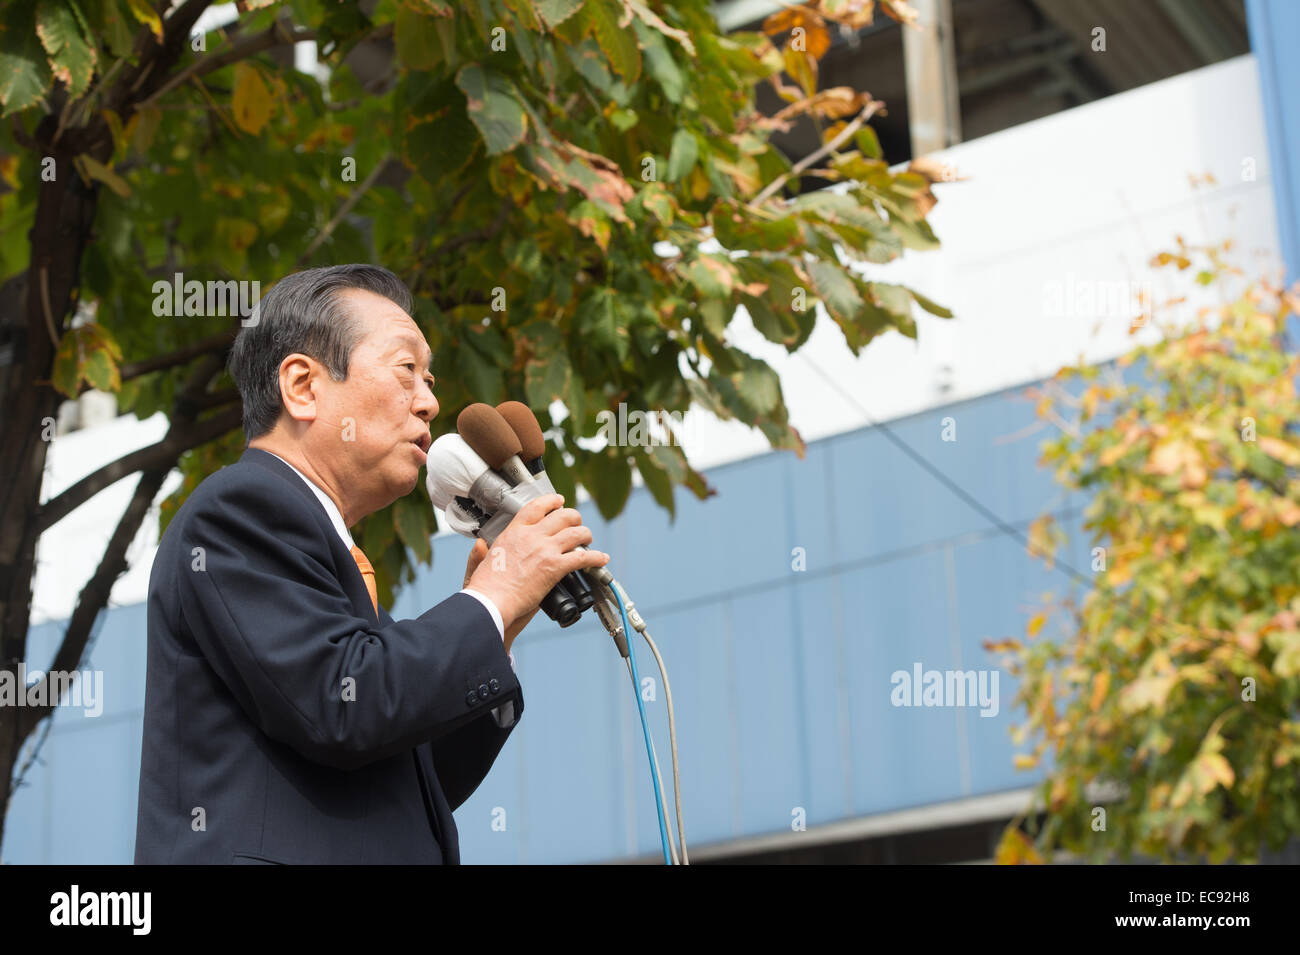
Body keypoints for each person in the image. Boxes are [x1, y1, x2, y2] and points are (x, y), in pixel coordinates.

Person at [133, 264, 608, 863]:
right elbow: (343, 706)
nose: (431, 402)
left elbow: (413, 784)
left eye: (429, 377)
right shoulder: (238, 510)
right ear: (303, 386)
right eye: (407, 369)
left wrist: (497, 630)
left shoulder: (319, 549)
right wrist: (490, 597)